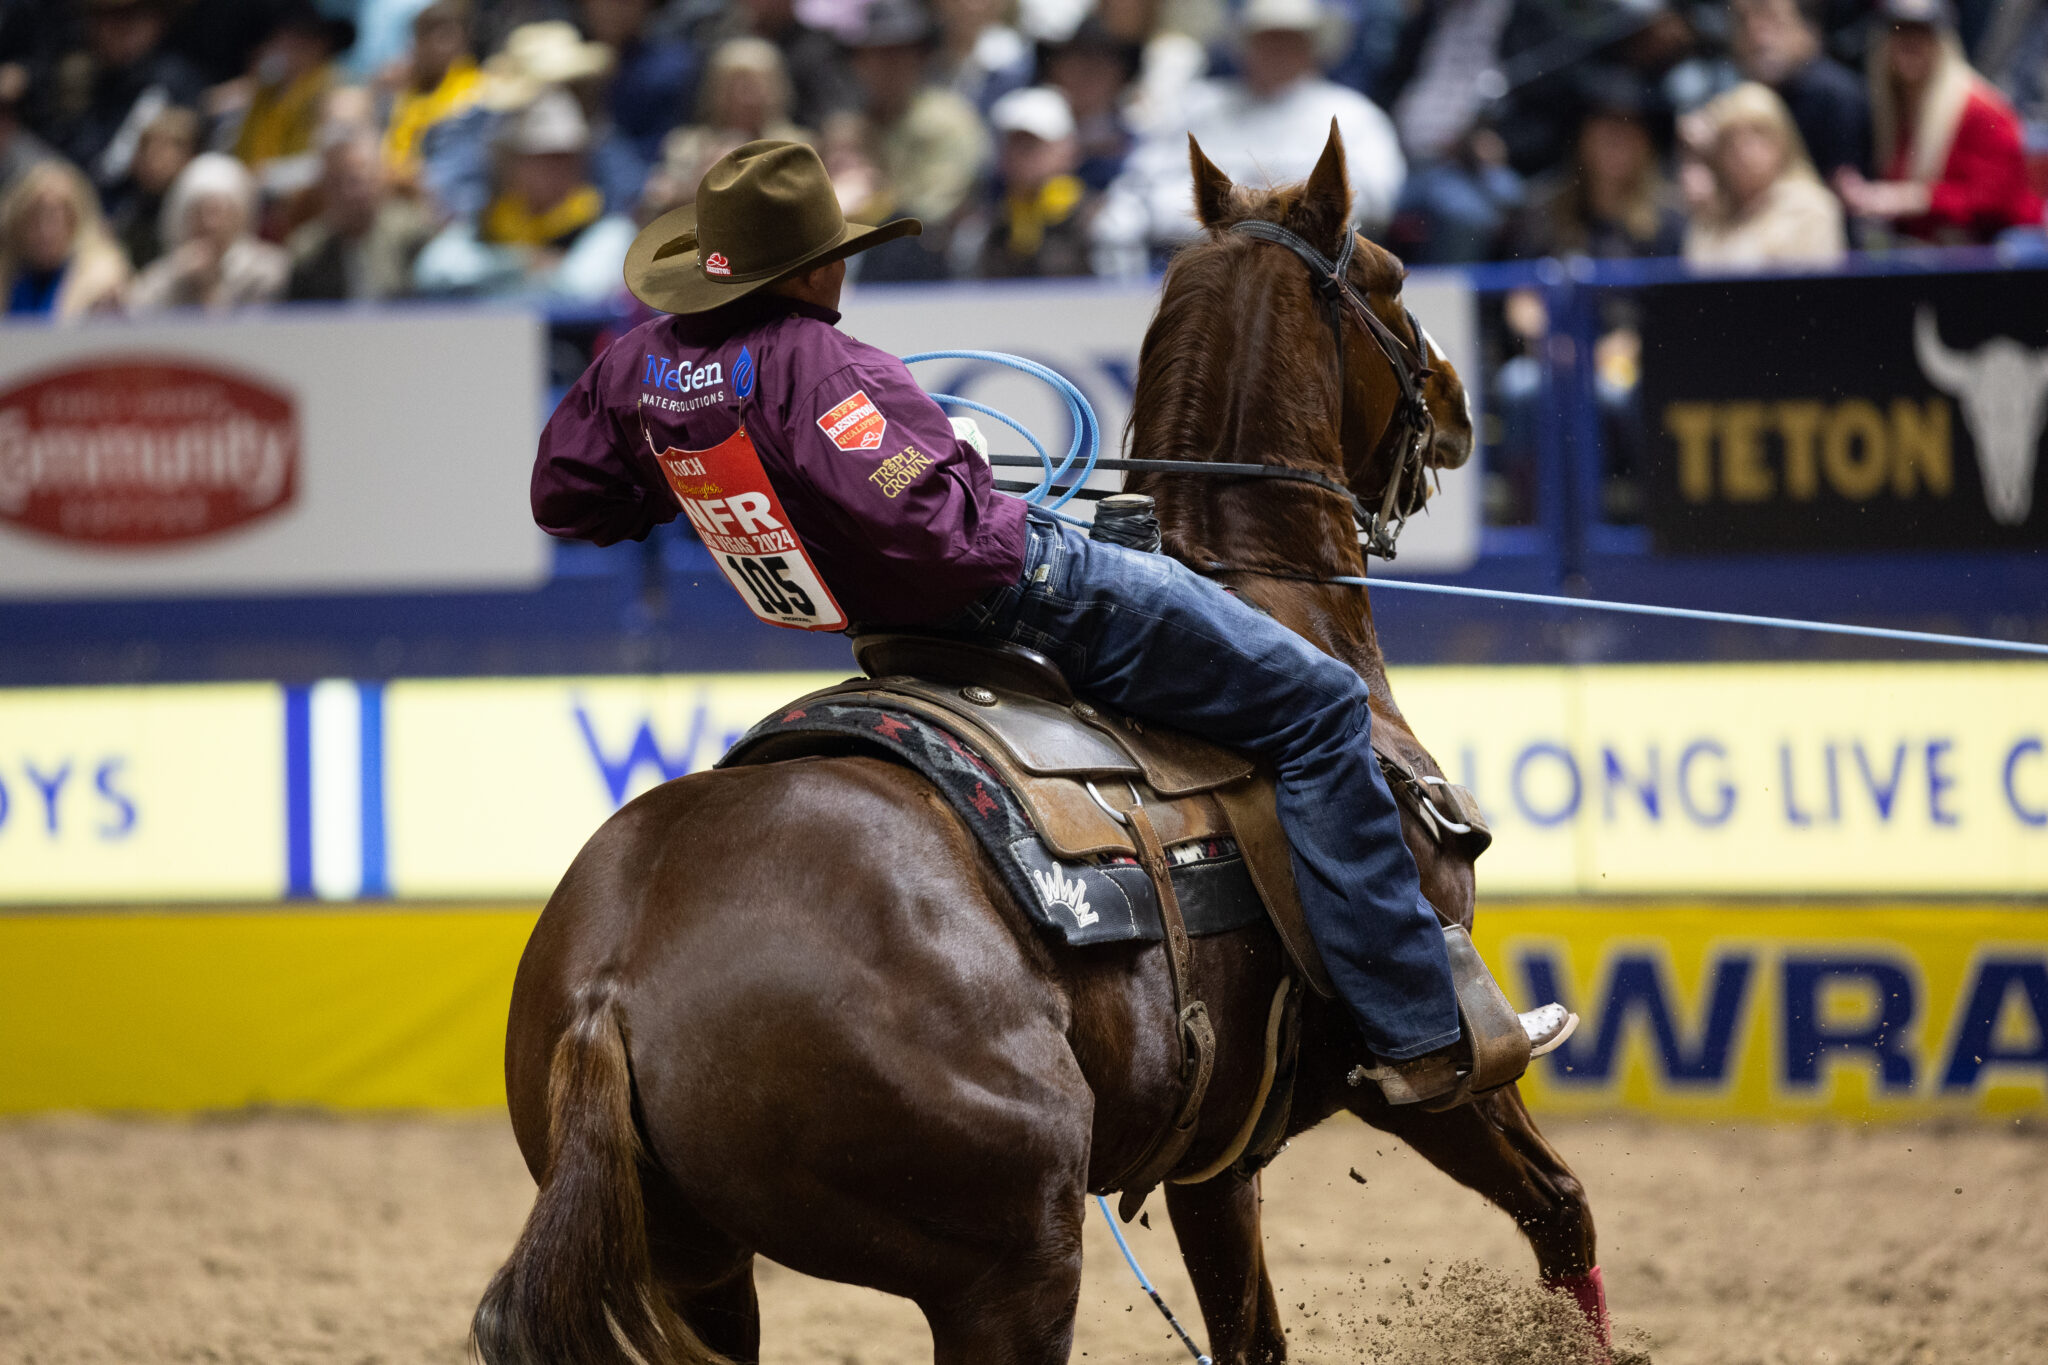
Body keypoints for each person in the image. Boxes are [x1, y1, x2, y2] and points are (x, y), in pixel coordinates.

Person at [529, 139, 1573, 1105]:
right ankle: (1417, 1026)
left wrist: (681, 475)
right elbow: (945, 538)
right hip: (1020, 589)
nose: (842, 271)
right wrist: (966, 475)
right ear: (808, 273)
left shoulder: (641, 366)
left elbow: (566, 495)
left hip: (883, 626)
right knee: (1320, 705)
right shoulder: (823, 365)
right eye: (833, 256)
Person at [1092, 0, 1405, 277]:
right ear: (1245, 45)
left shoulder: (1352, 114)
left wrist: (1258, 211)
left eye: (1287, 39)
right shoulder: (1197, 106)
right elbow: (1141, 184)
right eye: (1265, 38)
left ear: (1311, 45)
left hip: (1312, 270)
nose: (1276, 50)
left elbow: (1375, 198)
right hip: (1189, 265)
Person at [1835, 0, 2043, 244]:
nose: (1910, 44)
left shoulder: (1982, 109)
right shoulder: (1891, 107)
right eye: (1900, 32)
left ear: (1942, 43)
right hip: (1930, 249)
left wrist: (1914, 199)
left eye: (1922, 33)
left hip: (1996, 247)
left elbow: (1997, 199)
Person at [411, 86, 634, 299]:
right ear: (511, 163)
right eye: (540, 159)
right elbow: (435, 270)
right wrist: (521, 262)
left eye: (564, 159)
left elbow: (582, 286)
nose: (554, 170)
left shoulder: (605, 225)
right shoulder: (488, 220)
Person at [1682, 81, 1846, 270]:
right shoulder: (1710, 212)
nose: (1742, 150)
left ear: (1783, 140)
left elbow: (1816, 284)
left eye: (1758, 134)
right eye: (1730, 139)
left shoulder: (1811, 208)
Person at [1729, 0, 1871, 183]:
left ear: (1807, 29)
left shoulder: (1833, 96)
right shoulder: (1748, 95)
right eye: (1744, 23)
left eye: (1772, 22)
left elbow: (1844, 187)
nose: (1758, 38)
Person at [127, 150, 288, 310]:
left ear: (239, 215)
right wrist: (178, 279)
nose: (209, 223)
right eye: (199, 212)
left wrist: (208, 288)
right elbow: (135, 312)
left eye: (219, 212)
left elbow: (257, 323)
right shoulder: (166, 274)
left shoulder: (265, 271)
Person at [286, 128, 433, 300]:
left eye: (358, 180)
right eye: (337, 181)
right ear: (323, 187)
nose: (350, 192)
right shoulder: (308, 251)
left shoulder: (412, 234)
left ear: (380, 178)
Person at [967, 84, 1098, 276]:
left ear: (1068, 149)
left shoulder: (1100, 223)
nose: (1020, 153)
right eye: (1013, 141)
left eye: (1032, 143)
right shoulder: (983, 226)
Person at [0, 156, 129, 317]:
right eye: (35, 218)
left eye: (57, 219)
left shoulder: (103, 283)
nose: (45, 231)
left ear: (78, 221)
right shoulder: (8, 273)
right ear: (18, 222)